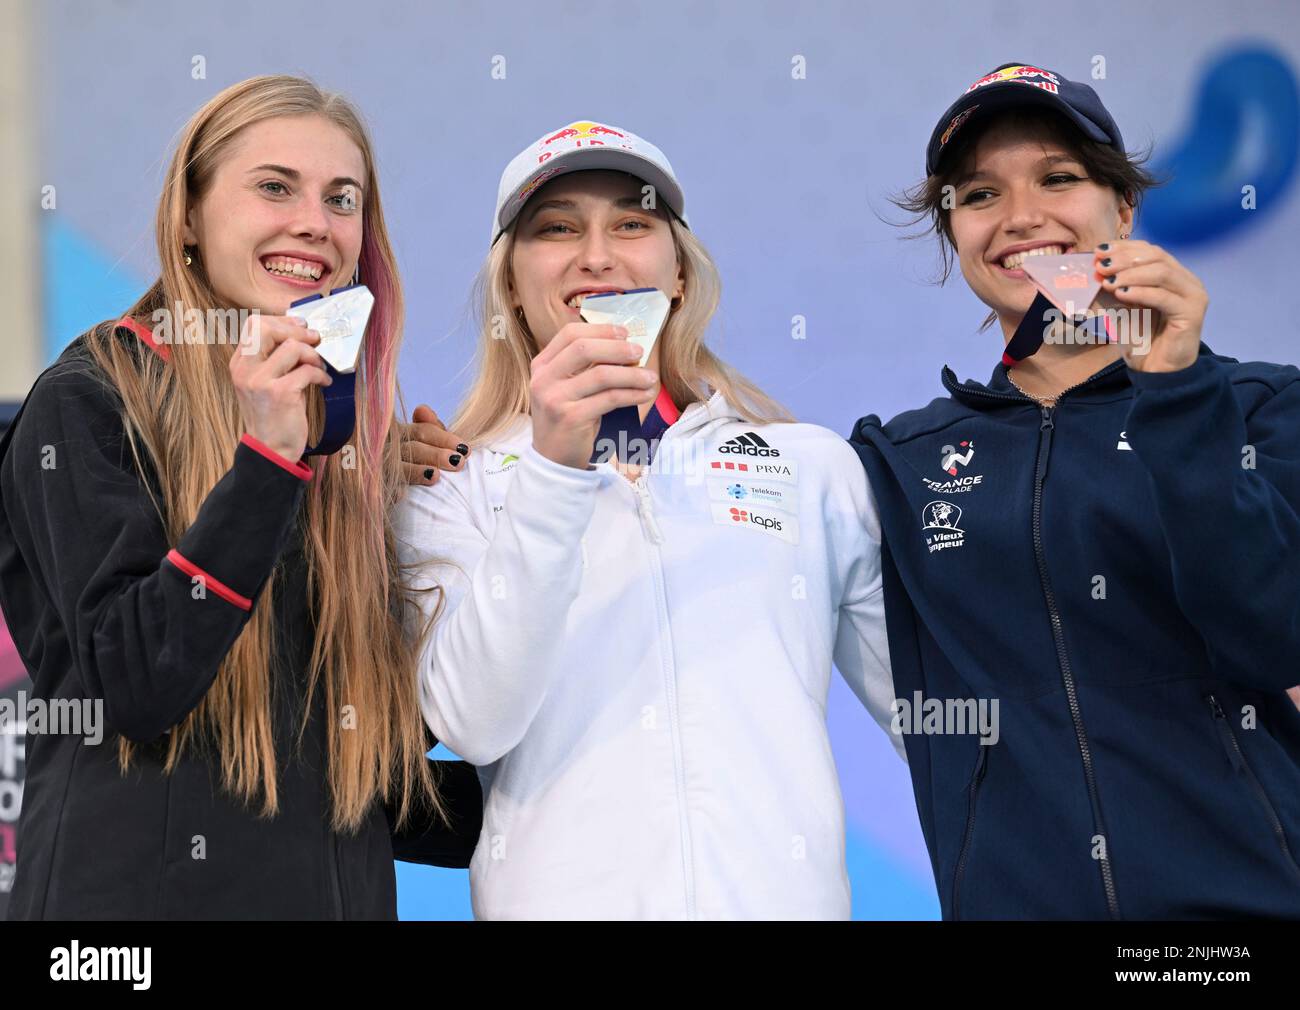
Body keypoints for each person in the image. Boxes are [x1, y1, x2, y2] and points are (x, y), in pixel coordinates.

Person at [0, 75, 481, 920]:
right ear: (187, 216)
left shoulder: (343, 439)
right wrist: (267, 465)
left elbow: (350, 772)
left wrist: (561, 805)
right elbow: (139, 686)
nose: (315, 223)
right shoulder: (90, 398)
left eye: (342, 198)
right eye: (273, 187)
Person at [394, 120, 900, 920]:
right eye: (557, 229)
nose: (597, 255)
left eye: (632, 223)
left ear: (677, 275)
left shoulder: (811, 468)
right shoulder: (446, 486)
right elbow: (477, 724)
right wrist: (556, 469)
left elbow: (933, 726)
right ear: (512, 288)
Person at [851, 63, 1300, 919]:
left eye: (1059, 178)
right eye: (979, 195)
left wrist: (1176, 390)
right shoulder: (899, 462)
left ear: (1123, 210)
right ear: (954, 237)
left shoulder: (1258, 407)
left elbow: (1276, 634)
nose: (1022, 216)